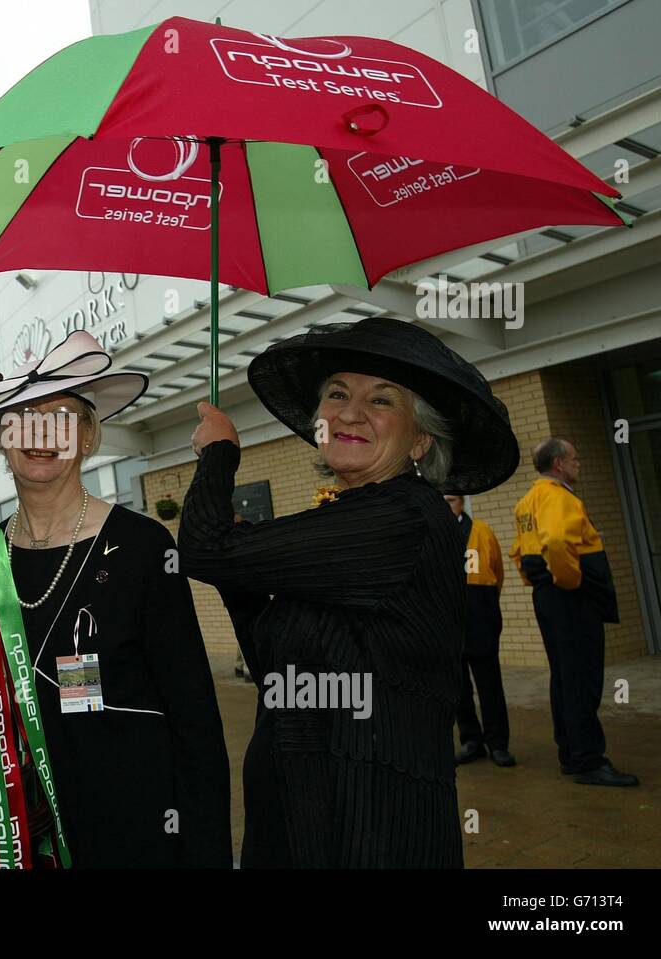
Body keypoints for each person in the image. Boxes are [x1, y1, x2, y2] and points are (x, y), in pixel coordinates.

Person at [178, 317, 520, 868]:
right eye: (337, 393)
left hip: (369, 821)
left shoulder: (401, 518)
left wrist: (218, 452)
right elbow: (280, 672)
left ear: (421, 439)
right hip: (302, 807)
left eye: (382, 400)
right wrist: (245, 575)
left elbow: (203, 547)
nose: (350, 411)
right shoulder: (349, 518)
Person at [0, 331, 232, 868]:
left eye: (60, 416)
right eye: (23, 416)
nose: (40, 432)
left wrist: (205, 851)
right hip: (21, 829)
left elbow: (194, 717)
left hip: (132, 826)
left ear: (87, 437)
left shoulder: (144, 546)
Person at [510, 438, 637, 787]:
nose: (578, 464)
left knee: (564, 676)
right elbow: (554, 542)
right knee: (581, 677)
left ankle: (570, 752)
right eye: (575, 458)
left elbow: (519, 550)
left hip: (548, 598)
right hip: (571, 598)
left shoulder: (527, 501)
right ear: (559, 464)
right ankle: (588, 760)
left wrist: (541, 581)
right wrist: (569, 581)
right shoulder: (557, 497)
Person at [444, 494, 514, 767]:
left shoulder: (482, 531)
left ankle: (498, 744)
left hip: (480, 616)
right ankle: (471, 740)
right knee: (459, 686)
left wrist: (485, 607)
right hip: (449, 621)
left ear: (462, 502)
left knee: (490, 684)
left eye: (451, 501)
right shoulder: (433, 534)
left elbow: (496, 571)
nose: (447, 506)